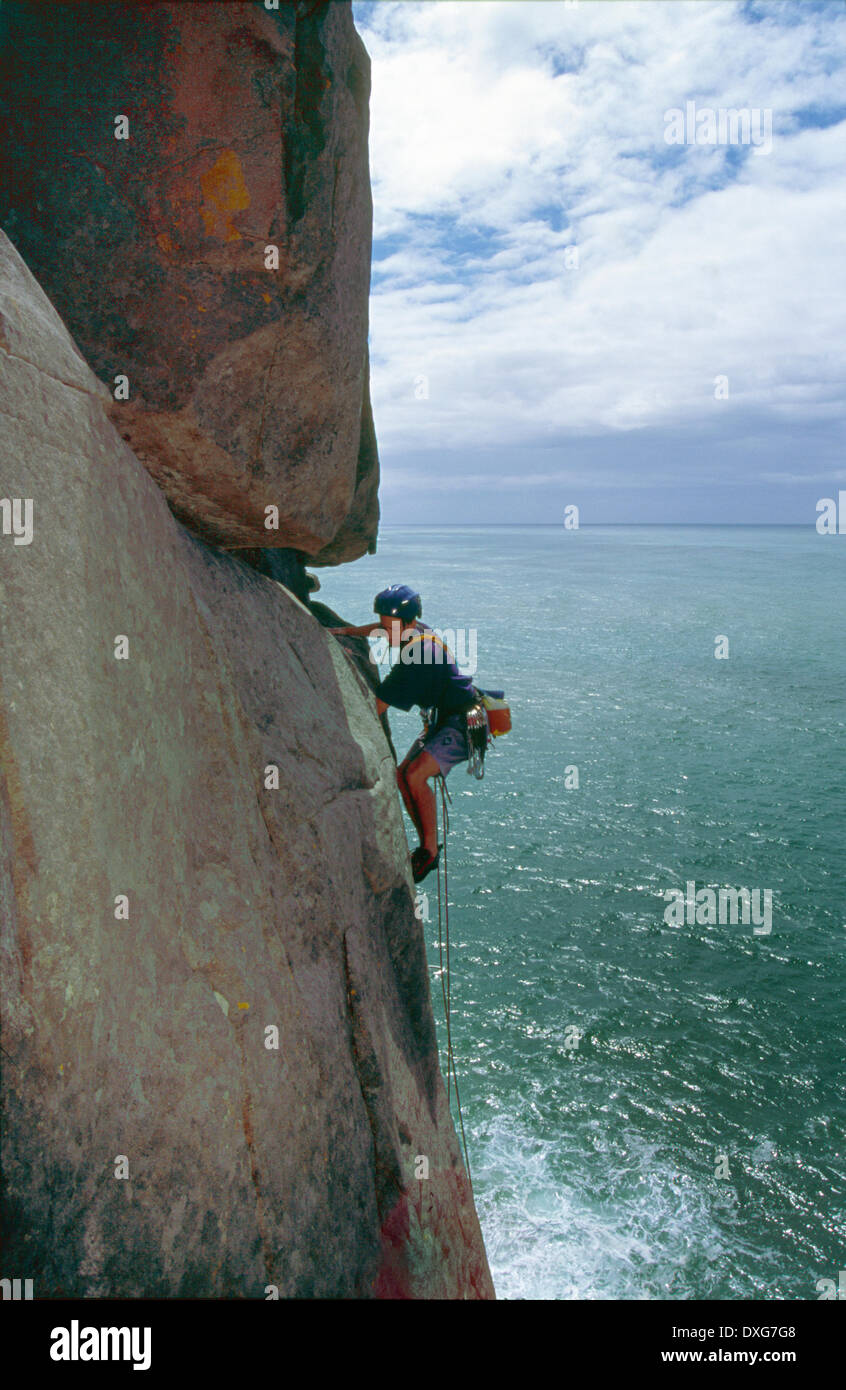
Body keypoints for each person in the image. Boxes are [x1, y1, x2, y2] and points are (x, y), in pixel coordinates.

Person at [330, 585, 478, 882]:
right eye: (386, 627)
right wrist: (346, 632)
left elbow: (377, 708)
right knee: (401, 774)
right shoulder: (413, 629)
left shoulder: (418, 658)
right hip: (444, 717)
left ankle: (430, 851)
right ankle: (427, 841)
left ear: (410, 623)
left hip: (463, 724)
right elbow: (379, 628)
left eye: (392, 629)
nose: (388, 634)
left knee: (414, 776)